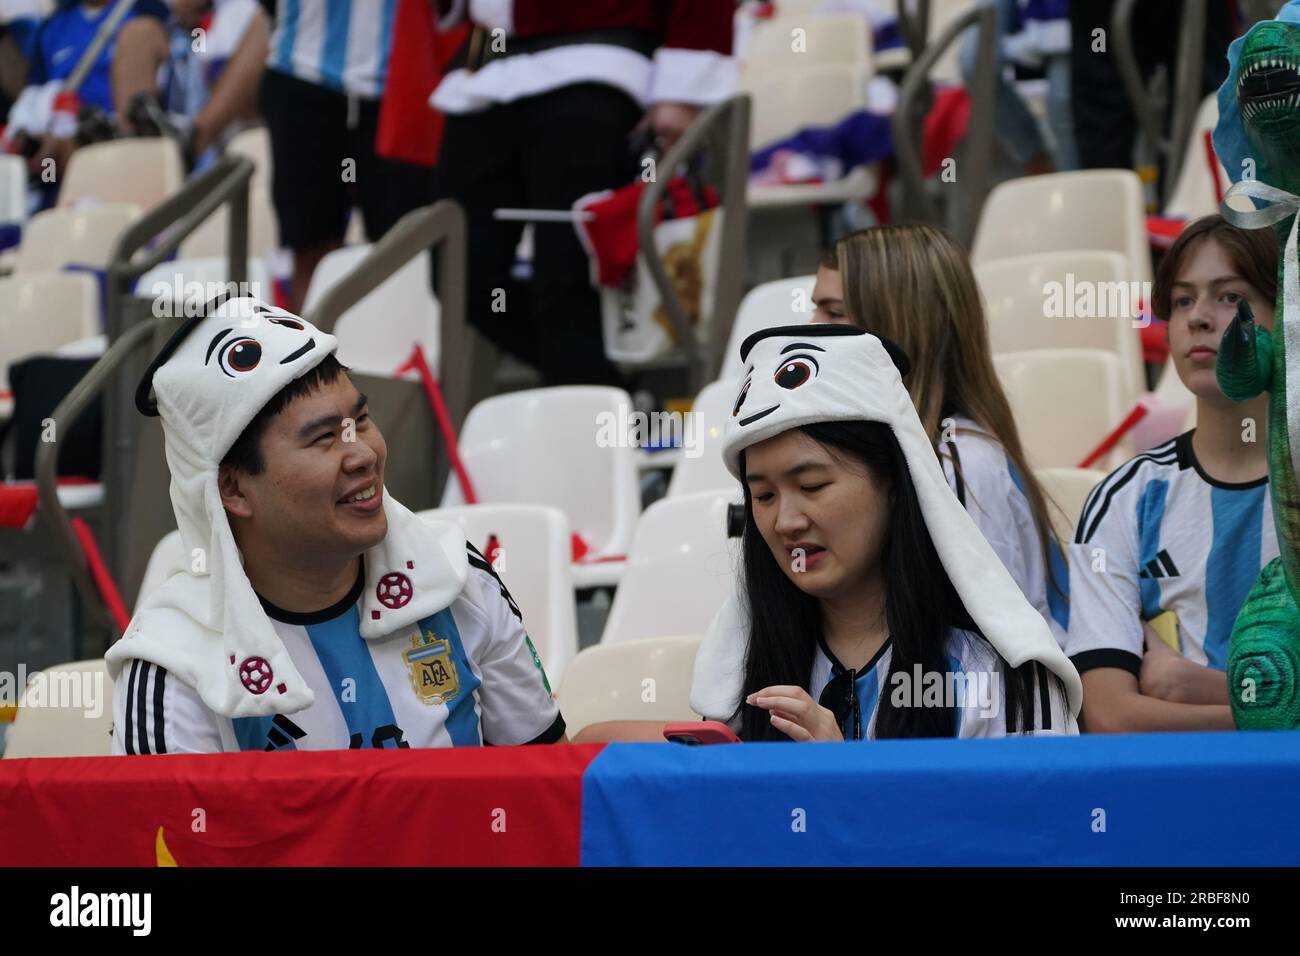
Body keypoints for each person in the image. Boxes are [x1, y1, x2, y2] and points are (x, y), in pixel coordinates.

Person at [107, 298, 566, 753]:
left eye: (361, 421)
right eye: (324, 437)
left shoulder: (456, 578)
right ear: (233, 489)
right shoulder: (171, 667)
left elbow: (550, 791)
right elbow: (175, 830)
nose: (364, 454)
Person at [688, 324, 1079, 740]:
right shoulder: (738, 681)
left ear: (894, 483)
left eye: (812, 486)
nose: (786, 521)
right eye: (763, 496)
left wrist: (843, 778)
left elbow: (1035, 806)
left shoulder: (1001, 682)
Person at [430, 0, 735, 386]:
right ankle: (608, 392)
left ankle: (592, 420)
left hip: (597, 67)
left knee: (568, 285)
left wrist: (684, 86)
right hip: (485, 68)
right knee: (460, 279)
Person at [810, 224, 1070, 651]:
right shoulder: (895, 452)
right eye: (816, 309)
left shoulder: (960, 464)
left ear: (900, 326)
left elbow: (981, 653)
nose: (811, 330)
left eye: (834, 313)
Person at [1066, 214, 1279, 732]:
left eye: (1230, 296)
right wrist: (1275, 711)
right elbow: (1109, 717)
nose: (1198, 318)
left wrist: (1188, 686)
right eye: (1183, 300)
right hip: (1174, 799)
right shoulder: (1123, 498)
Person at [259, 0, 436, 309]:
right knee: (311, 251)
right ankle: (310, 355)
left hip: (401, 83)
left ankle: (396, 352)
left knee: (402, 250)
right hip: (302, 77)